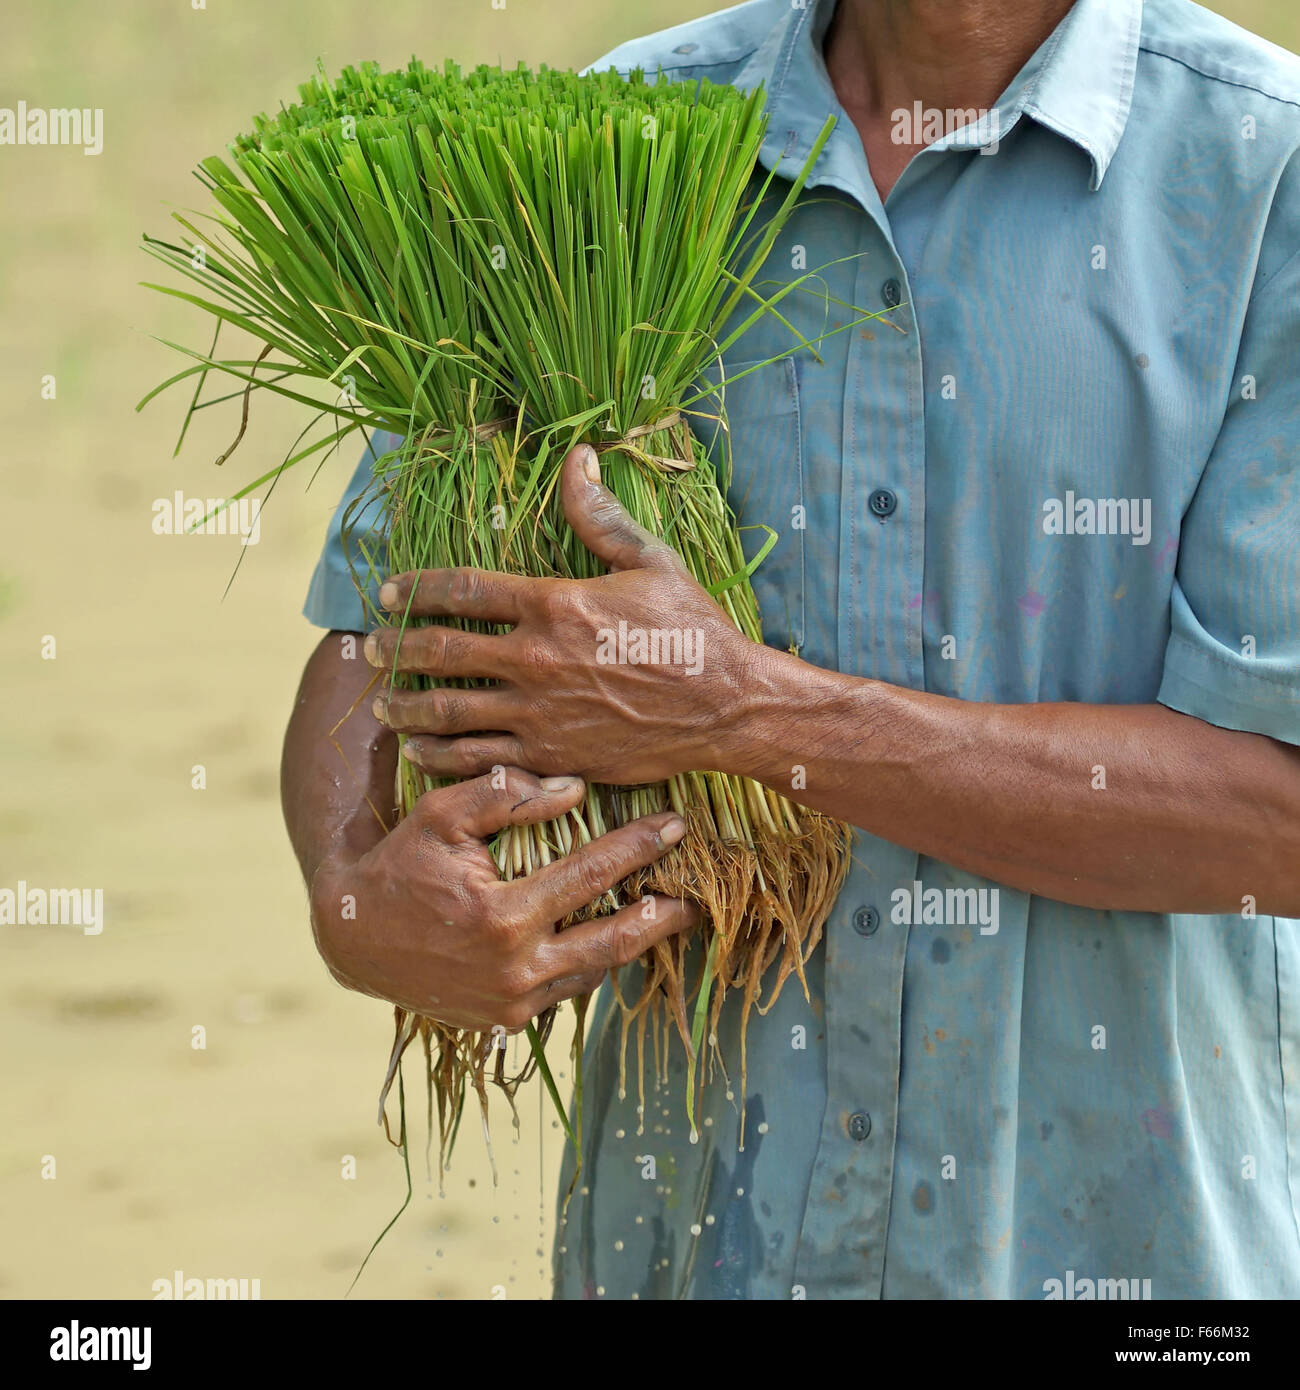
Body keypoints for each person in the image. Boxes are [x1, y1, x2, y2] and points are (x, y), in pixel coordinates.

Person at [281, 0, 1300, 1299]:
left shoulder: (1266, 178)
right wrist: (355, 895)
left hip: (1127, 1251)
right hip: (703, 1243)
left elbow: (1276, 816)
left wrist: (745, 714)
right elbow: (376, 635)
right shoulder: (609, 145)